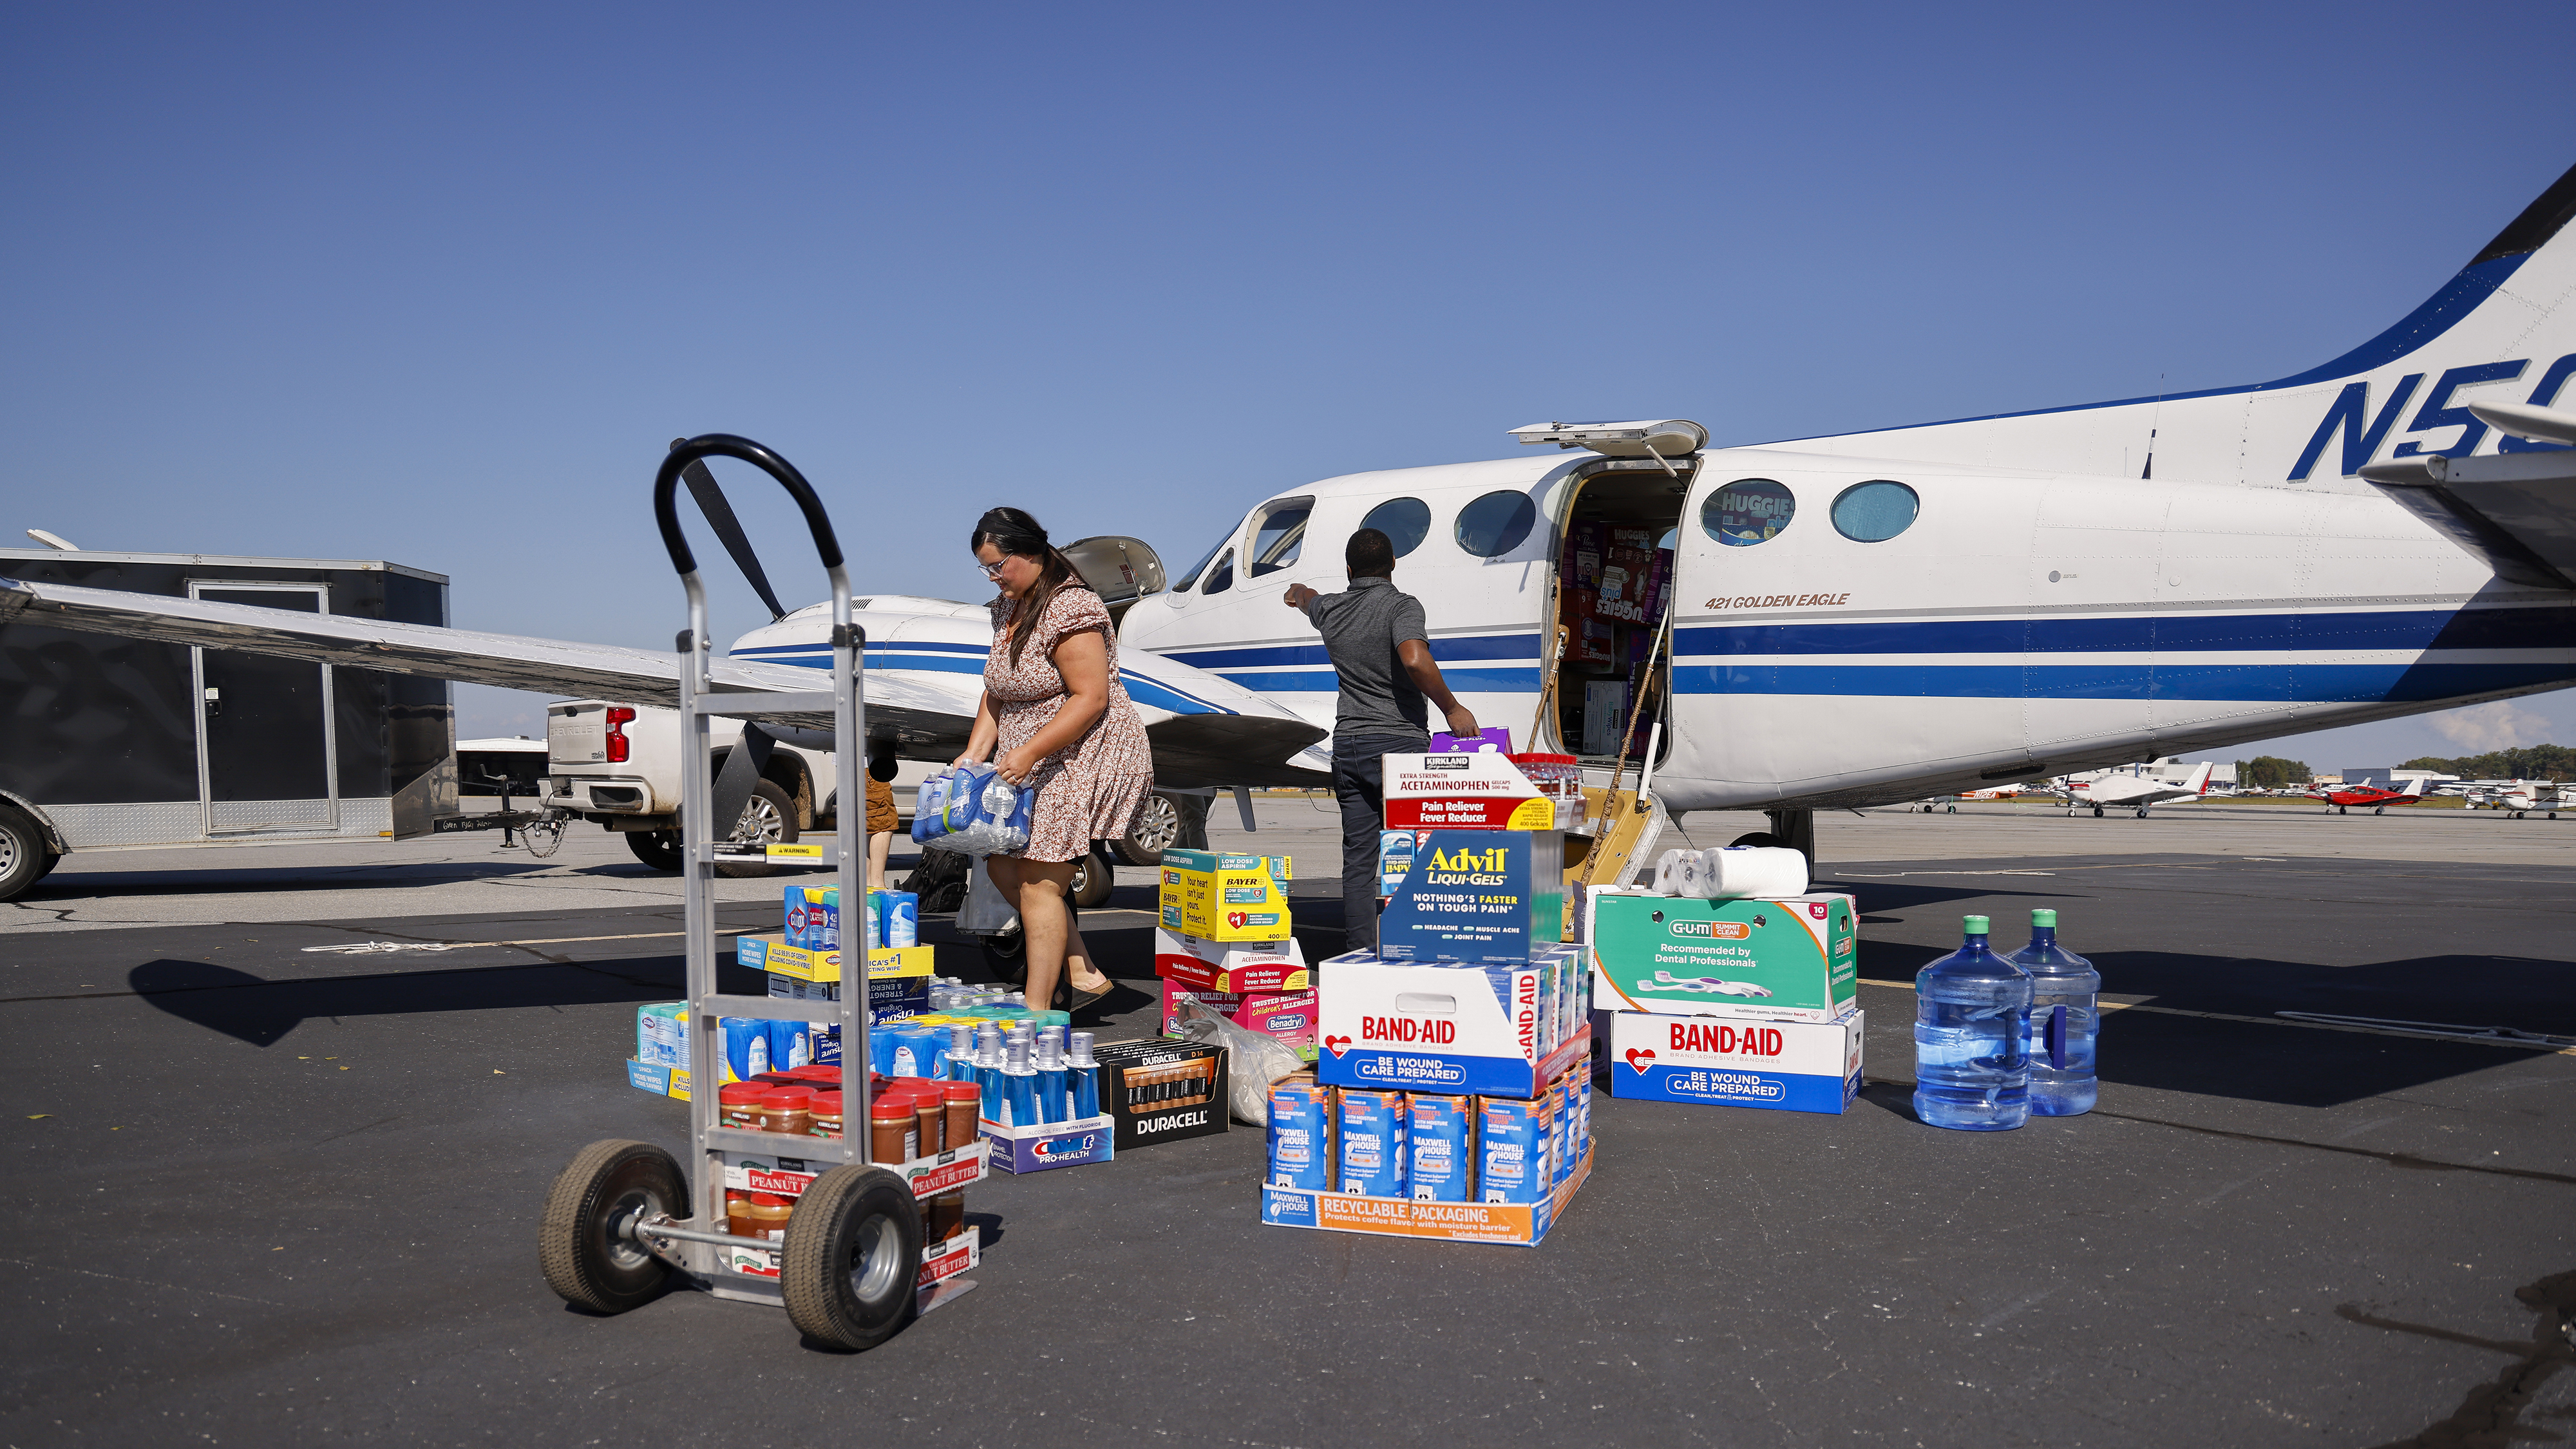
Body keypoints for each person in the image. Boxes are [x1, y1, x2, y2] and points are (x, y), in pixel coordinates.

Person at [952, 507, 1153, 1014]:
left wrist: (1030, 751)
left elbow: (1090, 698)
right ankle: (1080, 967)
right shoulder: (1007, 608)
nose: (994, 578)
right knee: (1002, 863)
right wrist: (975, 753)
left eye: (999, 566)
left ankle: (1037, 1009)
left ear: (1032, 553)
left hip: (1080, 750)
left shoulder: (1072, 608)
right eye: (986, 569)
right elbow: (998, 689)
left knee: (1041, 881)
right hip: (1028, 756)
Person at [1282, 527, 1479, 954]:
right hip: (1398, 746)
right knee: (1410, 852)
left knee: (1358, 862)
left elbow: (1307, 599)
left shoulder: (1331, 610)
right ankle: (1409, 948)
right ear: (1393, 565)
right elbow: (1413, 657)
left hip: (1349, 745)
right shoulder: (1401, 606)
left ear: (1349, 570)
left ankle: (1358, 954)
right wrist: (1451, 708)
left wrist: (1296, 591)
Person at [863, 753, 899, 891]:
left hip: (854, 765)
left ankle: (868, 886)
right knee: (883, 821)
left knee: (869, 822)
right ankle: (877, 885)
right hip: (871, 764)